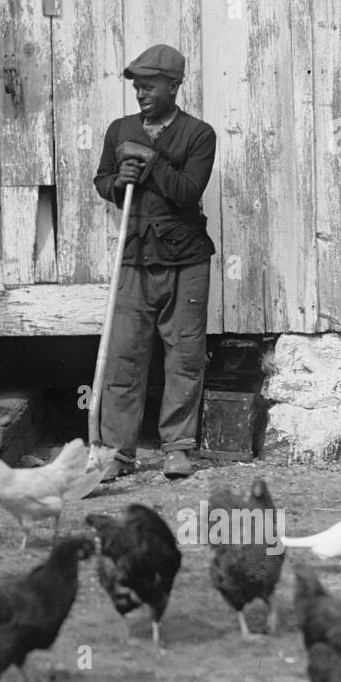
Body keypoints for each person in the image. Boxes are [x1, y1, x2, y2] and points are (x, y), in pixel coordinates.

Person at [92, 44, 216, 478]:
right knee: (124, 356)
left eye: (150, 85)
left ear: (175, 86)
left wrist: (150, 162)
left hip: (186, 261)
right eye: (137, 85)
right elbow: (102, 179)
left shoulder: (200, 134)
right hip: (134, 258)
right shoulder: (119, 129)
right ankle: (117, 453)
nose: (141, 92)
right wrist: (116, 181)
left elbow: (187, 192)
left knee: (183, 356)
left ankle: (178, 448)